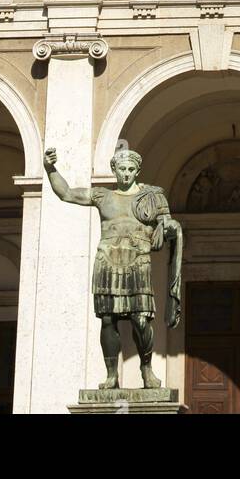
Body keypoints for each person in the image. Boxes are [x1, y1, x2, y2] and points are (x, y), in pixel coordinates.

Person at [43, 144, 182, 390]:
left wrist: (172, 229)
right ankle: (111, 375)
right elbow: (66, 193)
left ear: (137, 170)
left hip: (138, 262)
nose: (126, 173)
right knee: (108, 319)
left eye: (130, 169)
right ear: (114, 170)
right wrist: (50, 167)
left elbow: (166, 226)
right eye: (122, 169)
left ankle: (146, 370)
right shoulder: (102, 196)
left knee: (141, 320)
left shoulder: (151, 197)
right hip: (107, 262)